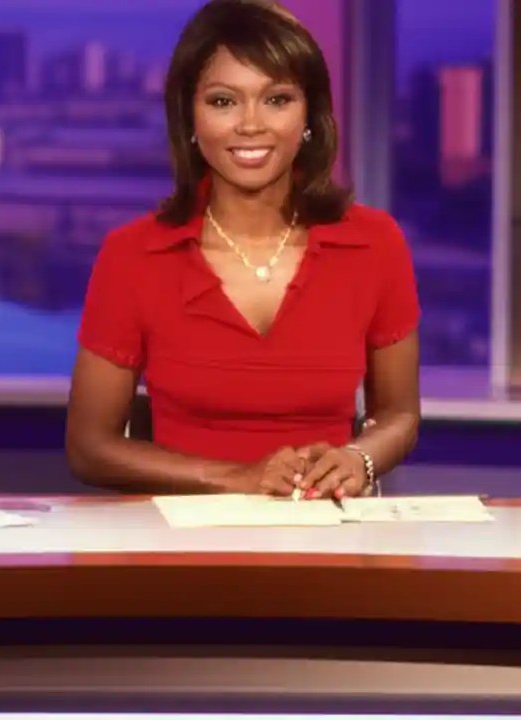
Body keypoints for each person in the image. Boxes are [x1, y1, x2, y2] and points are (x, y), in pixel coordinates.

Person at [65, 0, 420, 500]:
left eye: (276, 99)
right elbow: (89, 446)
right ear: (189, 116)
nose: (251, 124)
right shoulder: (133, 256)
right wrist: (239, 478)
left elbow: (400, 414)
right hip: (182, 545)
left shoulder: (374, 244)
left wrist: (359, 458)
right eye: (223, 101)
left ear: (310, 116)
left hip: (326, 537)